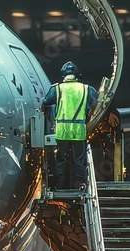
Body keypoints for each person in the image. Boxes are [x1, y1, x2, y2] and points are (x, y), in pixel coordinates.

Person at [43, 61, 99, 190]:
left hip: (62, 130)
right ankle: (80, 185)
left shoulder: (57, 88)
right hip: (79, 130)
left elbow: (46, 102)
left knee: (61, 159)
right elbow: (96, 103)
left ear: (63, 75)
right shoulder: (86, 89)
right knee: (78, 160)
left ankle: (59, 186)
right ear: (77, 75)